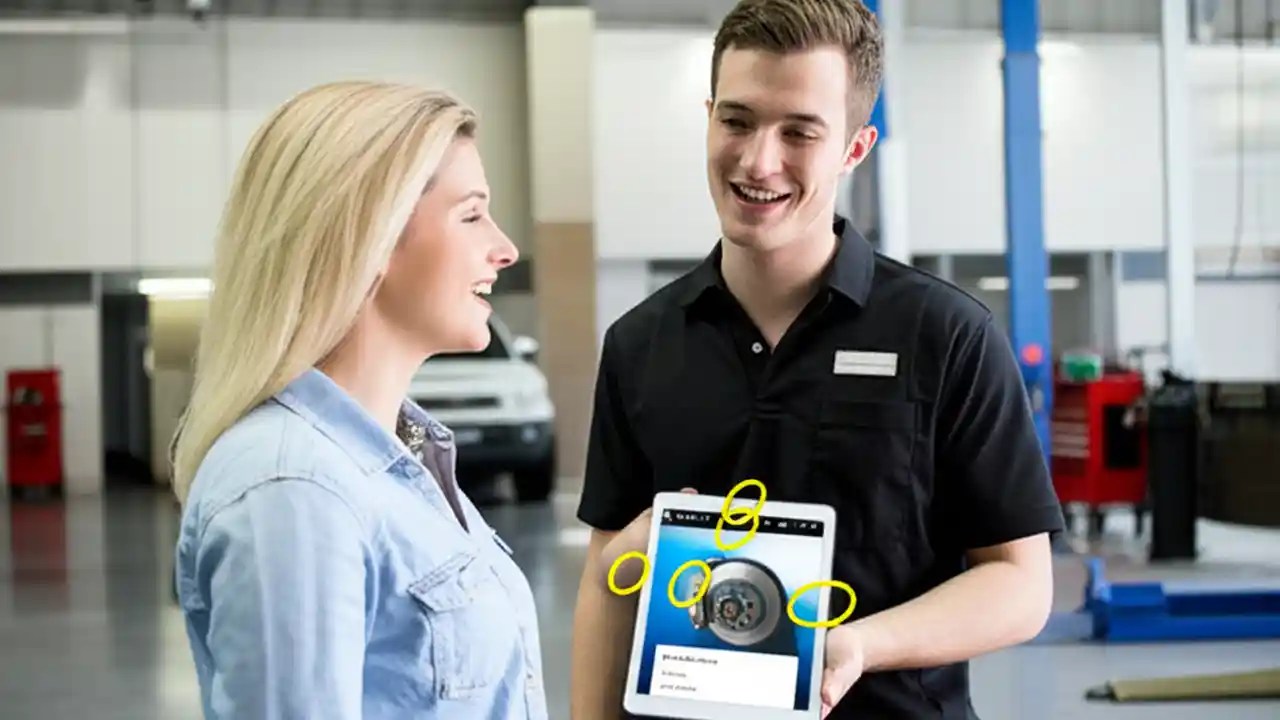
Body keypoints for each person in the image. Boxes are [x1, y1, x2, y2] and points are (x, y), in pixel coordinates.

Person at [570, 1, 1063, 718]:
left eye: (799, 132)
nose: (757, 160)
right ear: (708, 116)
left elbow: (1021, 585)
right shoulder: (640, 344)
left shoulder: (946, 335)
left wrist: (863, 643)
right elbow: (607, 572)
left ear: (854, 149)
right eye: (736, 121)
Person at [170, 81, 548, 720]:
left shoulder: (398, 462)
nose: (504, 248)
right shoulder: (293, 488)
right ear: (369, 235)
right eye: (471, 214)